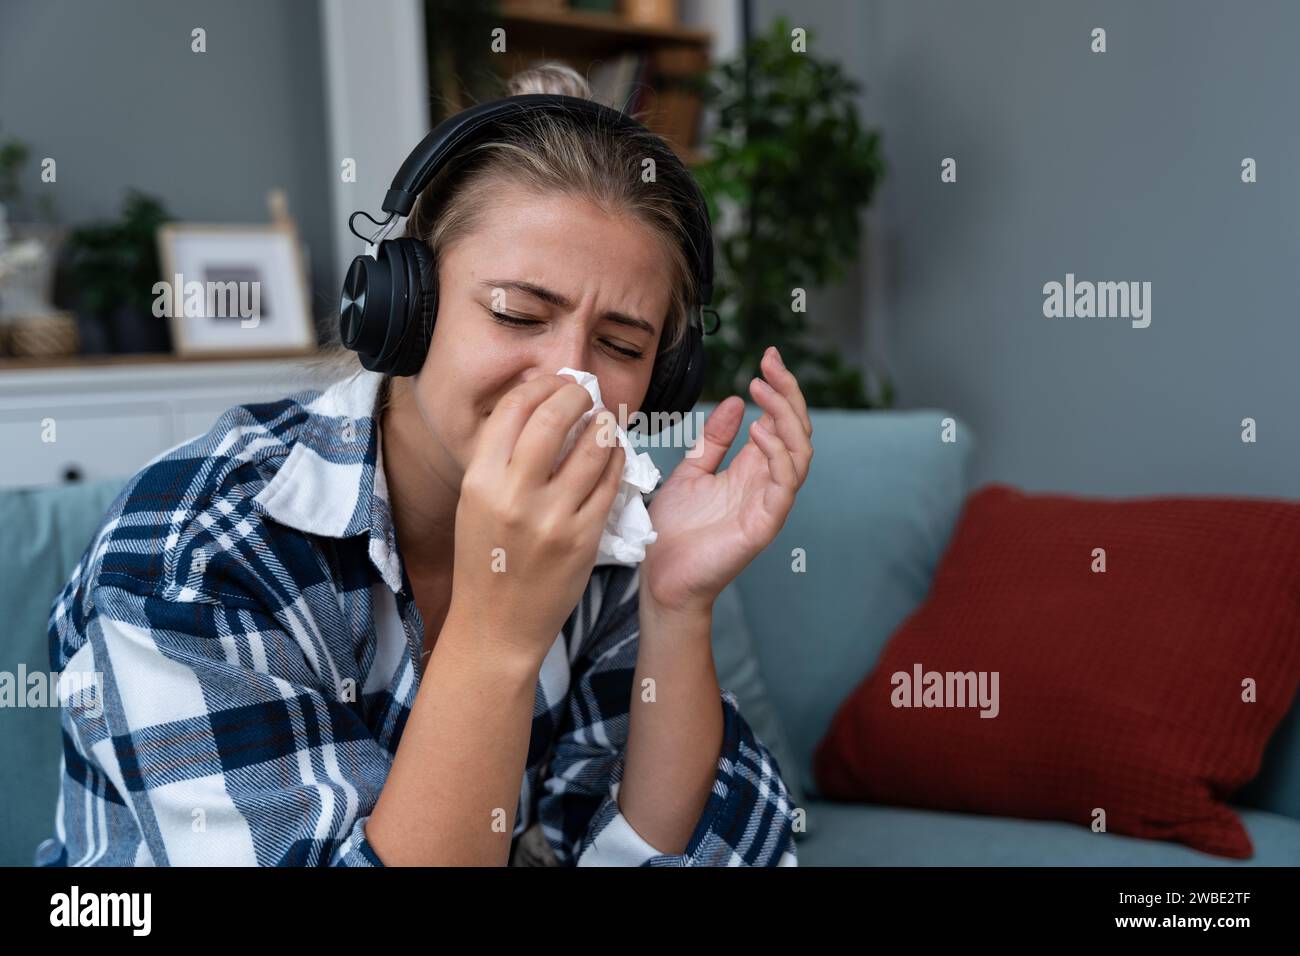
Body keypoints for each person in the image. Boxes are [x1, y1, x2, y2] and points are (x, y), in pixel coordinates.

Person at [35, 64, 814, 867]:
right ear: (404, 309)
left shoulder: (600, 525)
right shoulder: (194, 547)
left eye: (620, 346)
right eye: (517, 313)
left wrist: (675, 606)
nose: (568, 381)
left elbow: (659, 852)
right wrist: (497, 633)